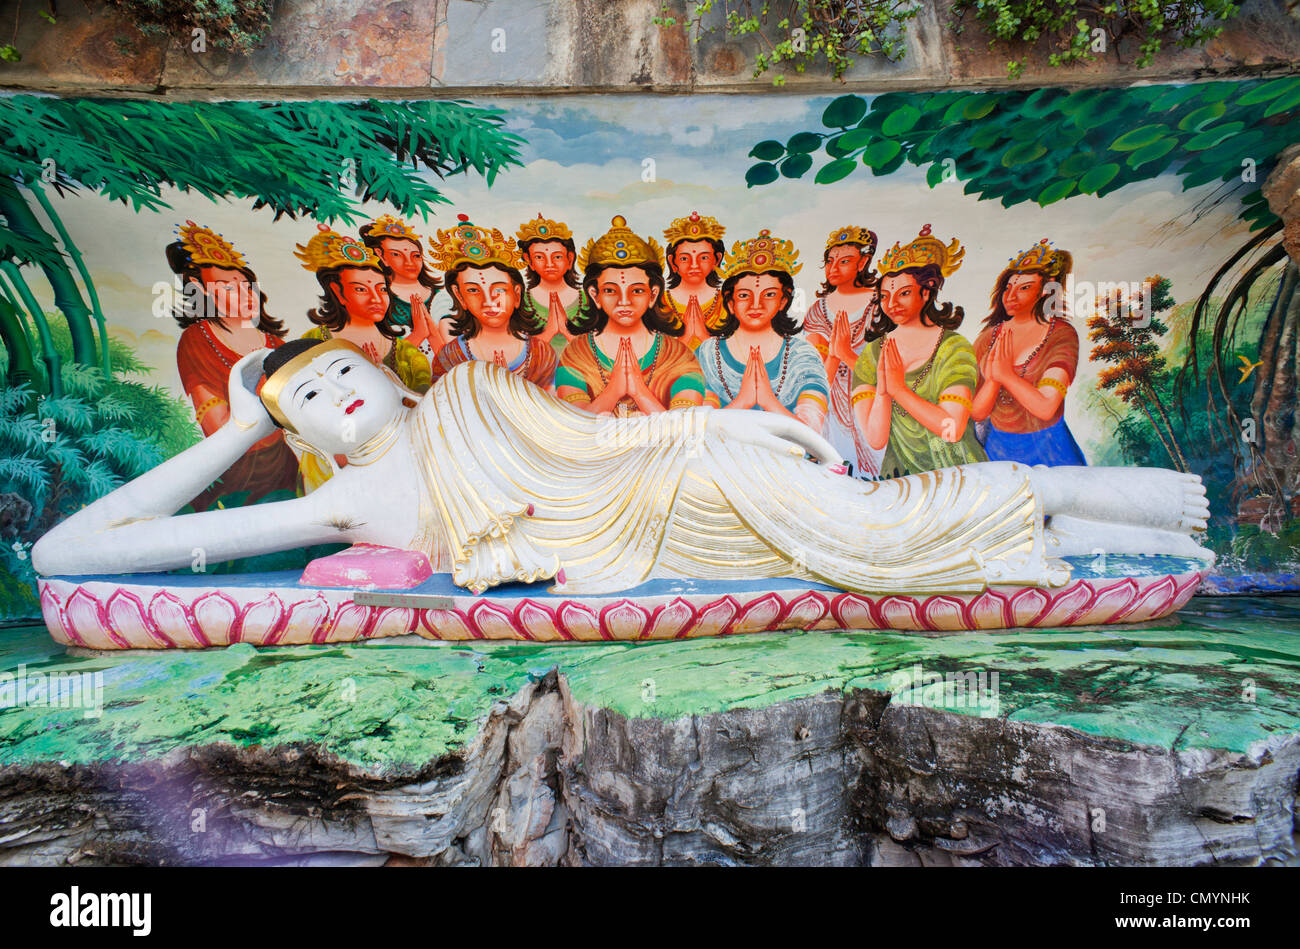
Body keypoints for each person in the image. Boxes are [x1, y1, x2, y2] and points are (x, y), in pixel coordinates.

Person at [31, 338, 1215, 600]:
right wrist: (237, 432)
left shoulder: (475, 395)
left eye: (341, 369)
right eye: (307, 405)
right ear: (318, 438)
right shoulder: (337, 497)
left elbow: (608, 437)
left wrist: (736, 417)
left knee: (879, 528)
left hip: (688, 480)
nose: (336, 395)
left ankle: (1074, 499)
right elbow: (69, 555)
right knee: (884, 547)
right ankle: (1119, 533)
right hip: (639, 552)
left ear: (389, 374)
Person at [167, 221, 298, 508]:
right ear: (201, 291)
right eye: (228, 288)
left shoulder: (274, 342)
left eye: (245, 285)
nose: (245, 294)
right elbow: (217, 426)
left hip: (286, 461)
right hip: (236, 465)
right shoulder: (197, 339)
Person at [293, 224, 432, 491]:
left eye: (381, 289)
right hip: (334, 468)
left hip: (402, 468)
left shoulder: (407, 354)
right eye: (360, 289)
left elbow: (422, 413)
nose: (375, 298)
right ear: (337, 292)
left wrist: (384, 379)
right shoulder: (312, 344)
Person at [851, 225, 987, 478]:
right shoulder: (872, 354)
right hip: (900, 478)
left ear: (926, 293)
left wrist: (899, 390)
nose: (892, 304)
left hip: (958, 474)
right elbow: (875, 439)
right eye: (884, 296)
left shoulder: (954, 347)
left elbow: (952, 429)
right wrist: (883, 390)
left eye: (904, 293)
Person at [556, 215, 706, 416]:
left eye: (636, 291)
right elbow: (576, 427)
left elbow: (683, 429)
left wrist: (639, 391)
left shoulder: (679, 357)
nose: (623, 301)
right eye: (610, 290)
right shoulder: (576, 355)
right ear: (595, 295)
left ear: (652, 295)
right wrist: (615, 390)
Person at [696, 229, 829, 431]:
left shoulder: (802, 355)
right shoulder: (708, 355)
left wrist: (769, 402)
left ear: (783, 300)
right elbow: (700, 431)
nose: (755, 305)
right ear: (730, 302)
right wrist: (743, 401)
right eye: (744, 296)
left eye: (768, 294)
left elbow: (812, 433)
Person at [972, 239, 1088, 466]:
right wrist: (993, 381)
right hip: (999, 450)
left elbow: (1046, 407)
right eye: (1008, 287)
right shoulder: (988, 338)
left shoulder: (1060, 334)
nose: (1011, 295)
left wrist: (1006, 375)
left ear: (1046, 290)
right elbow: (976, 412)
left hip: (1051, 446)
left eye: (1024, 287)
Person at [427, 215, 556, 388]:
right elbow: (444, 407)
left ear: (517, 294)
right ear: (459, 297)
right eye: (473, 290)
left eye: (499, 289)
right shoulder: (451, 357)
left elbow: (552, 407)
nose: (488, 301)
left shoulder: (540, 354)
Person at [803, 226, 880, 472]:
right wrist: (835, 356)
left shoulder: (881, 303)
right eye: (829, 261)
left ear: (863, 262)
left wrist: (847, 353)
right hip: (831, 403)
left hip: (870, 398)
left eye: (844, 261)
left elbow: (890, 372)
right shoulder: (818, 310)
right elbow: (815, 375)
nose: (833, 268)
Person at [358, 214, 448, 359]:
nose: (409, 262)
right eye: (397, 254)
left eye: (416, 256)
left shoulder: (442, 297)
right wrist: (419, 334)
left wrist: (433, 334)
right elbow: (381, 358)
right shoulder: (377, 300)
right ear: (381, 256)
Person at [515, 213, 587, 356]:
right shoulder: (520, 301)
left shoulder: (587, 300)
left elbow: (598, 348)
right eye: (539, 257)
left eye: (557, 257)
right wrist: (549, 332)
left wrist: (566, 332)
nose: (549, 264)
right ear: (529, 261)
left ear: (570, 259)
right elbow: (517, 351)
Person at [662, 212, 727, 350]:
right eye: (684, 258)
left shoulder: (728, 302)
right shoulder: (660, 302)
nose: (694, 265)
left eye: (703, 257)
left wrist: (703, 335)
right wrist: (686, 337)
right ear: (672, 262)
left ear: (716, 260)